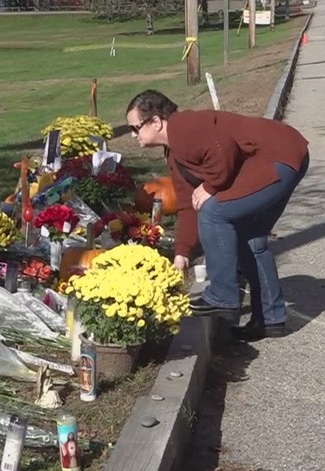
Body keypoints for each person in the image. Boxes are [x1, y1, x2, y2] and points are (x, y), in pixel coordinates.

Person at [125, 90, 310, 340]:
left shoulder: (183, 127)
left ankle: (223, 296)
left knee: (214, 212)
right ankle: (270, 319)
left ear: (156, 122)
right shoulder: (175, 152)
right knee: (250, 237)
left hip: (278, 155)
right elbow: (188, 204)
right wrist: (182, 252)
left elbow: (223, 149)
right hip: (288, 153)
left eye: (136, 128)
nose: (134, 135)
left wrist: (211, 186)